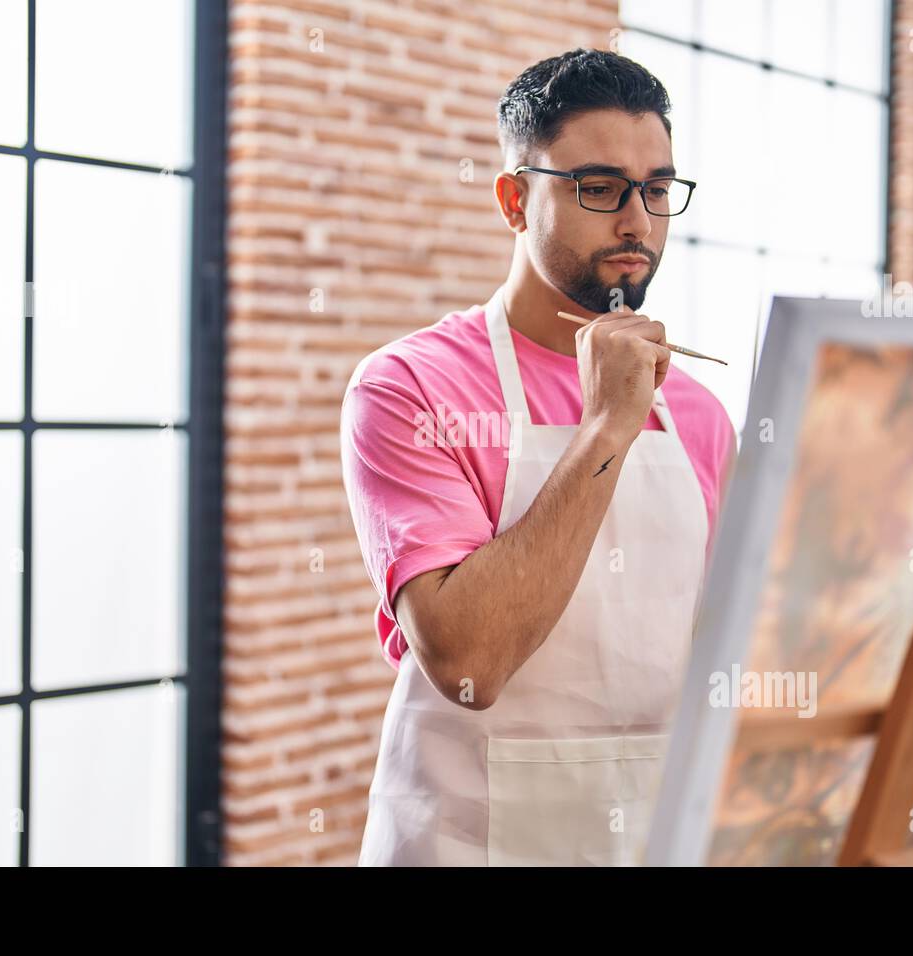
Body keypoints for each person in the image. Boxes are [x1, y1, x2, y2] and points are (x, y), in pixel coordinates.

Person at [339, 48, 737, 866]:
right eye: (599, 188)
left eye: (657, 190)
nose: (637, 222)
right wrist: (605, 429)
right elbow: (470, 663)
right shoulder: (408, 388)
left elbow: (730, 660)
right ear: (515, 200)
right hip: (466, 844)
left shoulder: (699, 413)